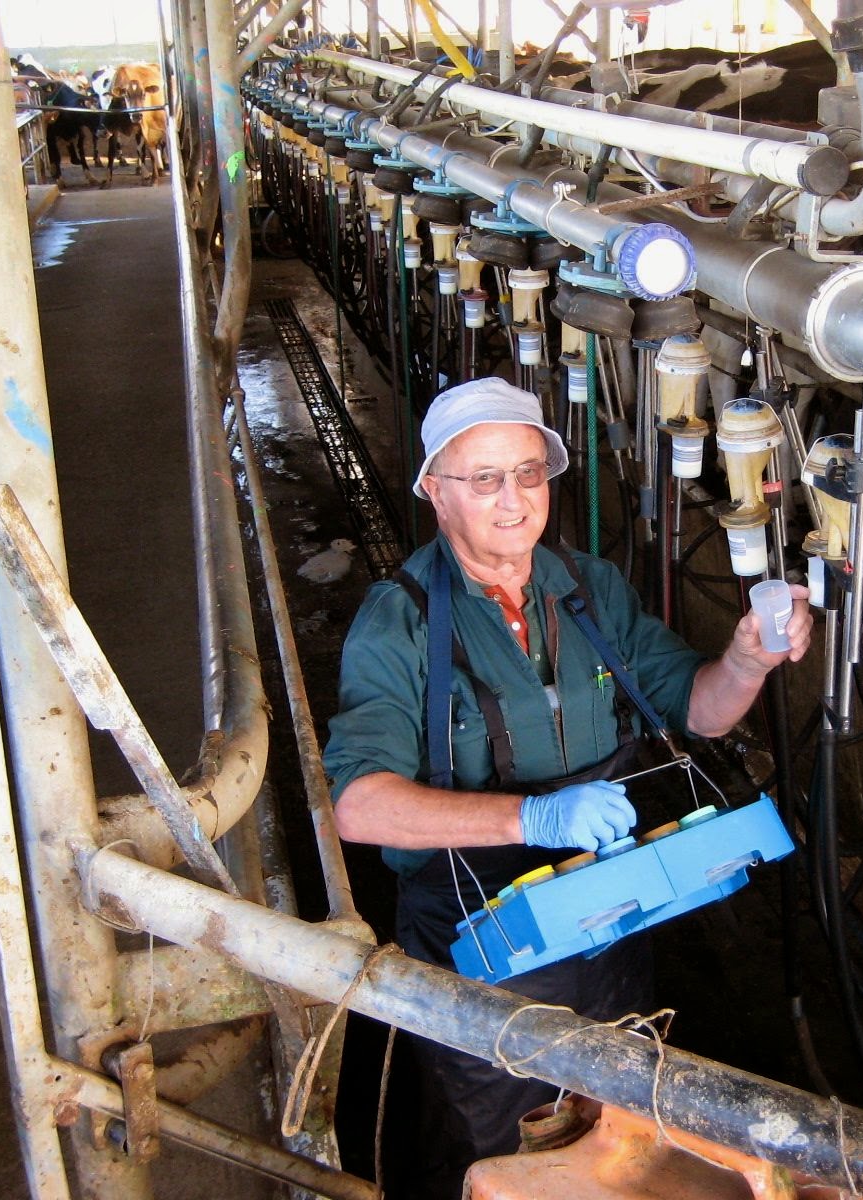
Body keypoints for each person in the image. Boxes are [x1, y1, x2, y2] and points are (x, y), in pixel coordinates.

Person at [321, 376, 812, 1197]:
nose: (512, 500)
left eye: (527, 473)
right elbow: (361, 804)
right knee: (498, 1138)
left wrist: (748, 661)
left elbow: (701, 708)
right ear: (436, 494)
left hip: (607, 916)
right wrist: (537, 815)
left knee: (618, 1117)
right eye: (483, 479)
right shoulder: (399, 620)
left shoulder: (587, 588)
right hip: (477, 946)